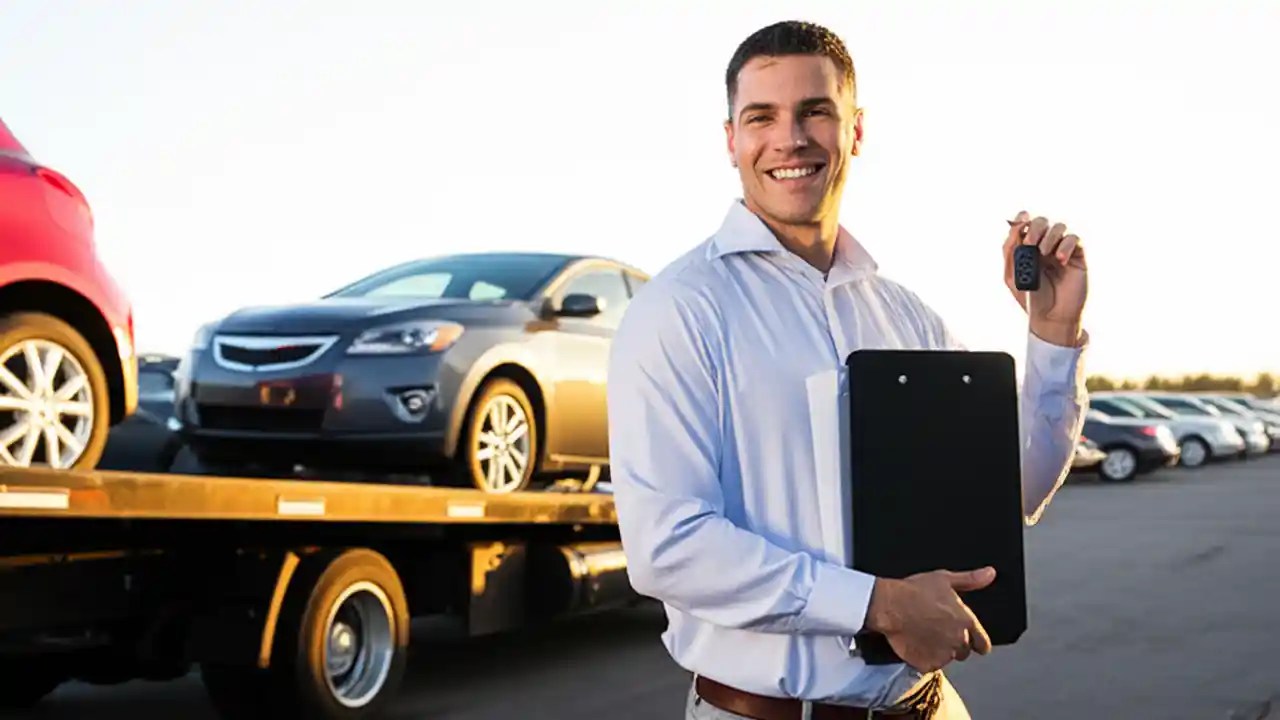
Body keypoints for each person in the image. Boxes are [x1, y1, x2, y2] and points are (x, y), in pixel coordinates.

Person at [605, 19, 1090, 720]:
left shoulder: (907, 318)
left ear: (855, 130)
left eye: (815, 112)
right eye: (762, 117)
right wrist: (879, 605)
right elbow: (667, 546)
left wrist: (1053, 332)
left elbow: (1011, 493)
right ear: (732, 140)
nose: (789, 139)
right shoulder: (679, 310)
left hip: (926, 705)